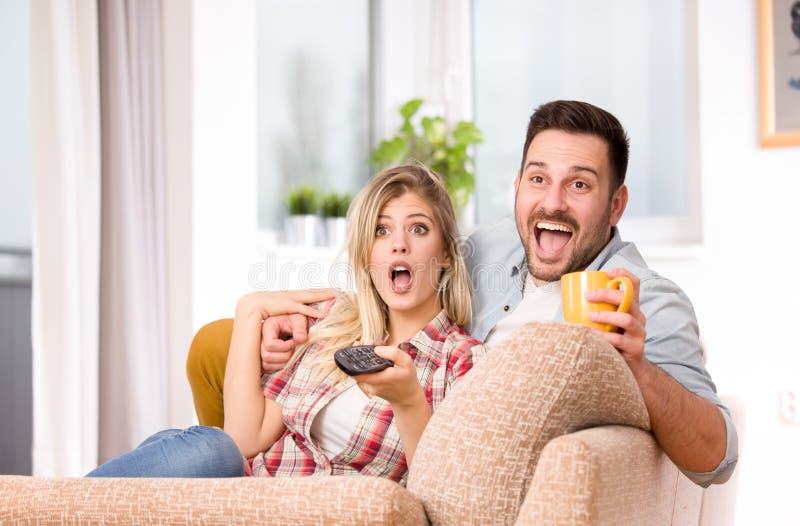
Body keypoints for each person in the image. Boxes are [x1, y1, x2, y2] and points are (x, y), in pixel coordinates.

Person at [187, 100, 737, 487]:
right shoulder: (488, 246)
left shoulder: (645, 298)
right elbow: (402, 264)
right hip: (375, 385)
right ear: (517, 185)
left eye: (580, 184)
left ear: (616, 205)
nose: (553, 202)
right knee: (220, 343)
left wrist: (635, 366)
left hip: (453, 440)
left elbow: (716, 457)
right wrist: (307, 320)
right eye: (539, 178)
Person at [87, 165, 484, 482]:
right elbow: (245, 439)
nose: (399, 243)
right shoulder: (333, 322)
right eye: (382, 230)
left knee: (203, 450)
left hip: (314, 509)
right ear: (367, 256)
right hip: (250, 492)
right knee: (207, 448)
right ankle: (51, 506)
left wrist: (408, 400)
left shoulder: (461, 361)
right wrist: (250, 311)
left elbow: (442, 490)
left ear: (446, 254)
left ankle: (48, 507)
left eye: (418, 228)